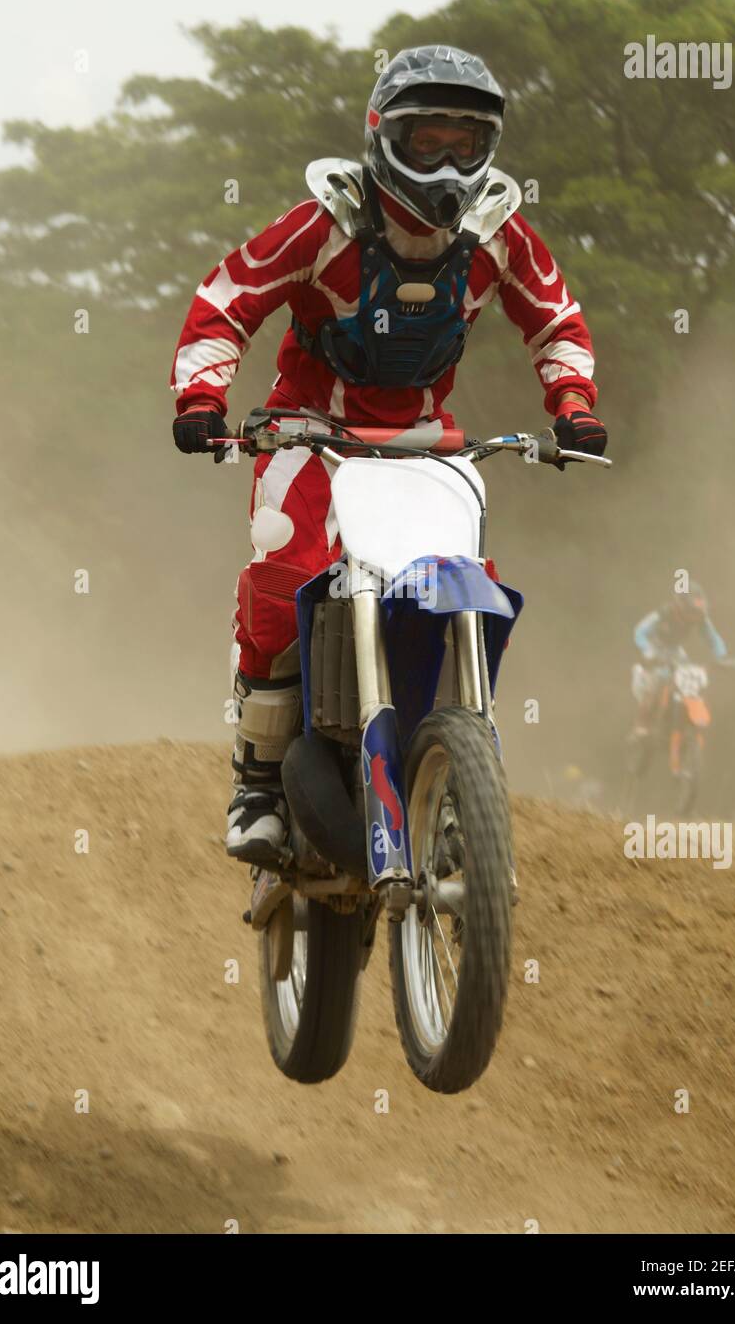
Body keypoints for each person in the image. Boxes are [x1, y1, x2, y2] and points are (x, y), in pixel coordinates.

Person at [170, 43, 607, 864]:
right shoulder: (325, 224)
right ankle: (258, 782)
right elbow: (226, 300)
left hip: (422, 443)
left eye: (465, 145)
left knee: (463, 585)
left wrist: (573, 406)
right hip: (307, 430)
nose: (445, 165)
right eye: (426, 142)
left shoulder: (496, 233)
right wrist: (202, 398)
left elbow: (557, 321)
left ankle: (451, 759)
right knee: (282, 571)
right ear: (381, 136)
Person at [630, 582, 731, 736]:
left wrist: (722, 657)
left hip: (675, 652)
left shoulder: (699, 618)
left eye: (698, 612)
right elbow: (640, 632)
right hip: (654, 649)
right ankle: (641, 726)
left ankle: (684, 716)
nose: (695, 616)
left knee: (691, 678)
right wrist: (647, 651)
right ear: (679, 606)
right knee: (655, 682)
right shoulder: (664, 613)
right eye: (691, 611)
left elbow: (713, 638)